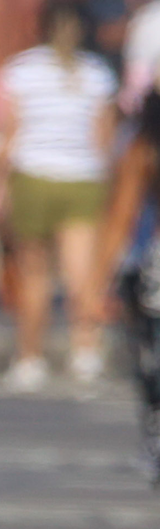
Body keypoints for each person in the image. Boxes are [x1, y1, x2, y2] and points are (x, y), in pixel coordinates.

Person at [0, 2, 117, 391]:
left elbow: (9, 132)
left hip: (33, 176)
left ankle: (30, 357)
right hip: (83, 178)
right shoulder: (97, 74)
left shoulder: (20, 71)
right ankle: (85, 350)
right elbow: (104, 139)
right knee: (82, 273)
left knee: (33, 273)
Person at [95, 88, 160, 479]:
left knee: (150, 364)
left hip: (152, 270)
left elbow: (122, 213)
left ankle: (155, 442)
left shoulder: (143, 150)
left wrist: (99, 282)